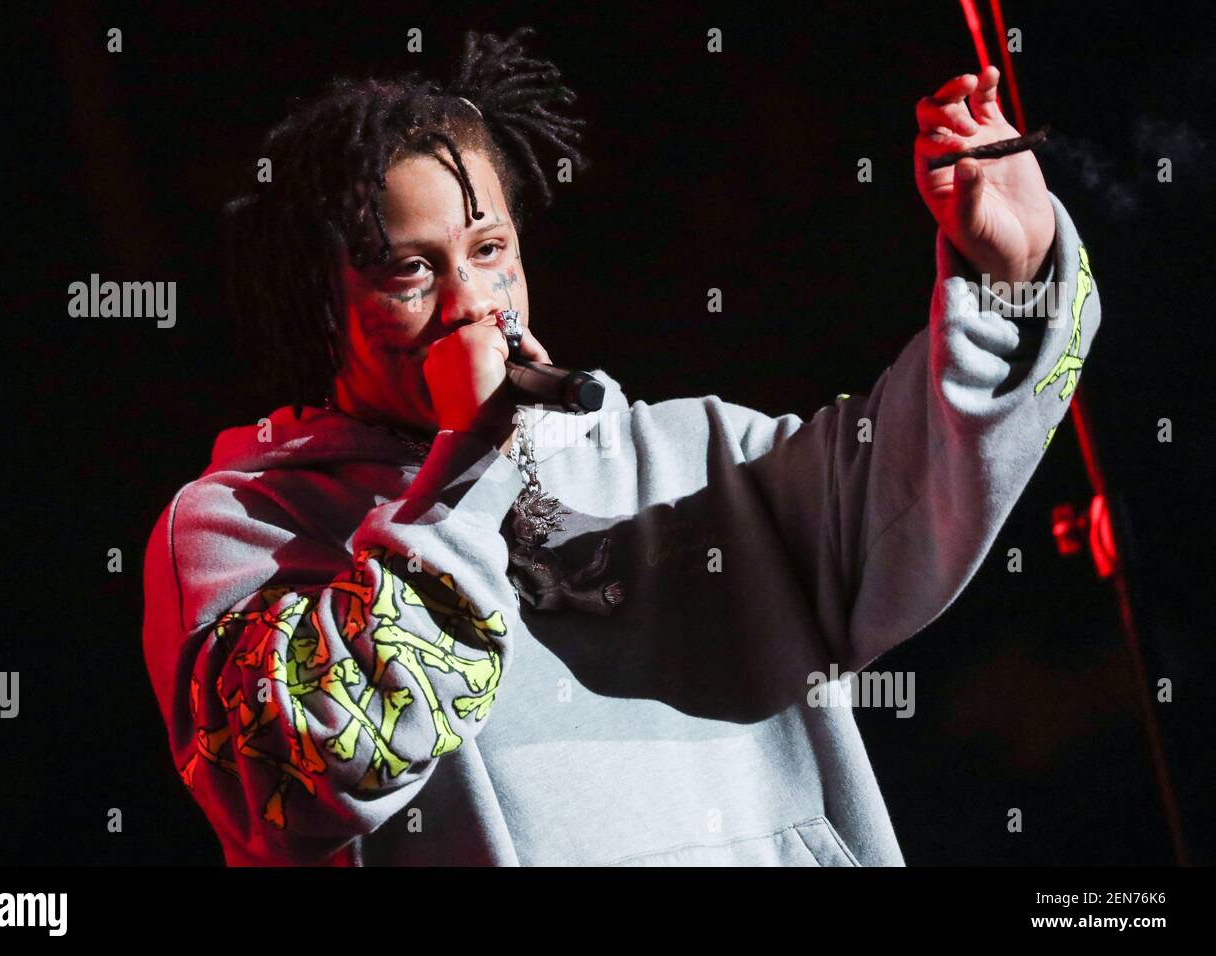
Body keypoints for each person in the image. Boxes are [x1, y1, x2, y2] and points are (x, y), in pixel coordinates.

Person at [141, 27, 1100, 866]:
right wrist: (472, 462)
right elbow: (307, 772)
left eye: (488, 250)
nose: (473, 301)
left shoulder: (696, 460)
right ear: (326, 302)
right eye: (411, 271)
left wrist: (1010, 277)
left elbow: (924, 488)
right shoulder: (241, 527)